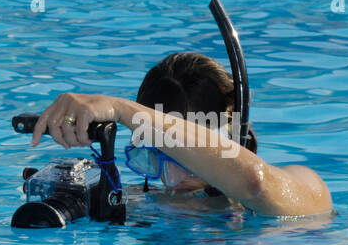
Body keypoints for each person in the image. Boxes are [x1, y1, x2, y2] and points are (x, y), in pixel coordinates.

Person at [31, 52, 332, 218]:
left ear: (231, 141)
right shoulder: (140, 205)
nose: (172, 178)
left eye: (185, 156)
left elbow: (256, 184)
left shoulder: (305, 183)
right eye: (153, 158)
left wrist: (121, 109)